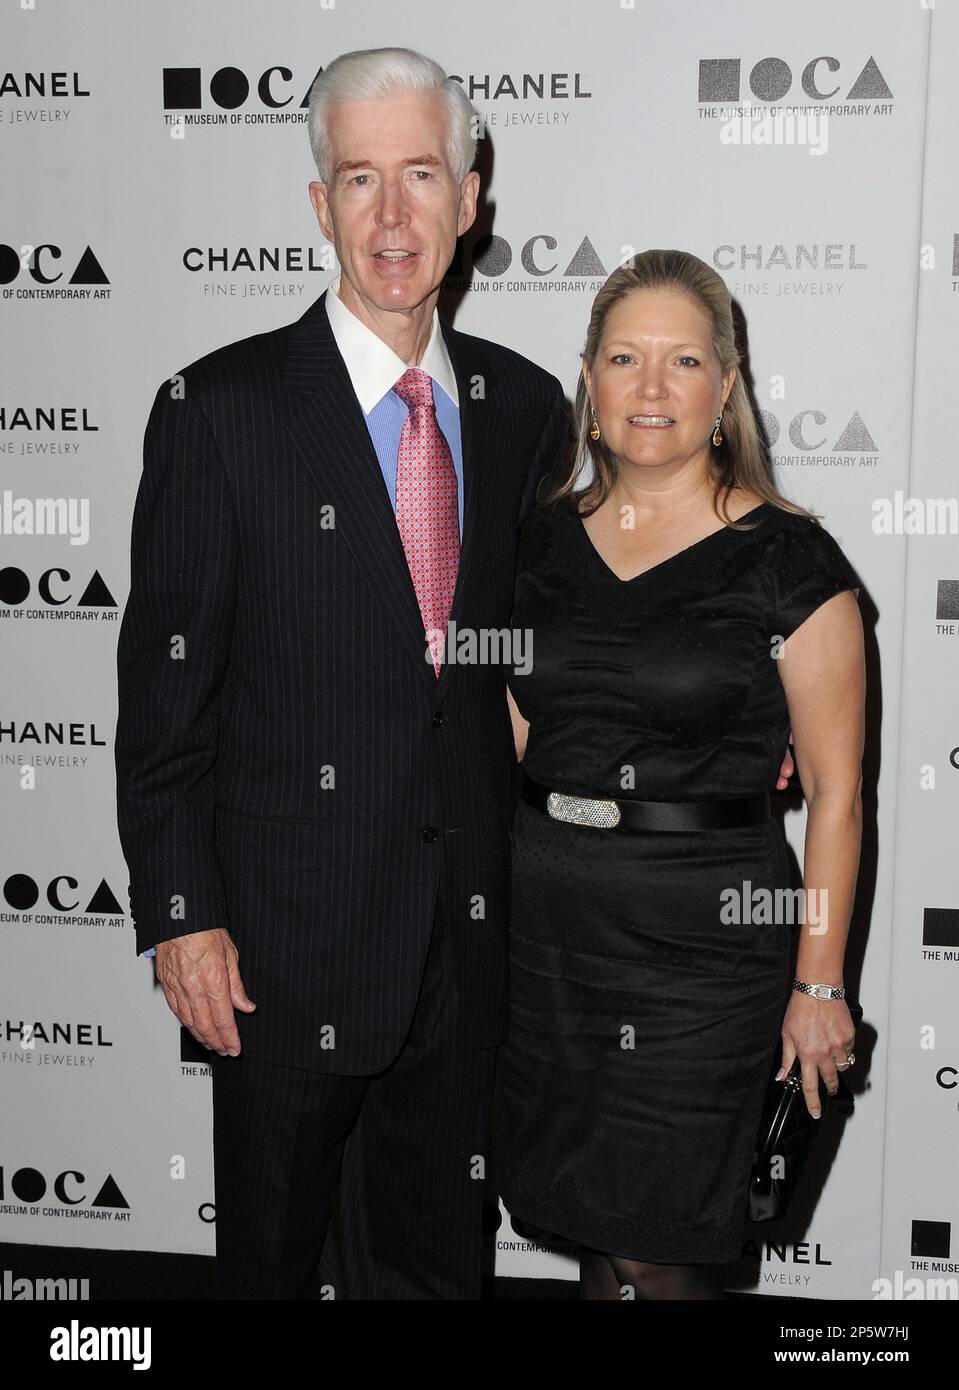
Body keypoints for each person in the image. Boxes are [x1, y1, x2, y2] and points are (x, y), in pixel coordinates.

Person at [114, 46, 568, 1300]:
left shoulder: (526, 409)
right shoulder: (221, 409)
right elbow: (164, 698)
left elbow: (536, 666)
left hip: (465, 948)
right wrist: (179, 913)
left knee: (435, 1274)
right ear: (317, 205)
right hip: (279, 946)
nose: (391, 215)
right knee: (269, 1265)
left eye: (419, 174)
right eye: (356, 179)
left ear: (469, 195)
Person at [492, 249, 865, 1300]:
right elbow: (518, 735)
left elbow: (834, 793)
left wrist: (818, 982)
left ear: (724, 388)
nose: (650, 388)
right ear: (588, 380)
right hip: (550, 946)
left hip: (704, 953)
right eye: (623, 358)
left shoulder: (787, 560)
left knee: (664, 1247)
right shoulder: (536, 544)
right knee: (592, 1232)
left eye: (682, 360)